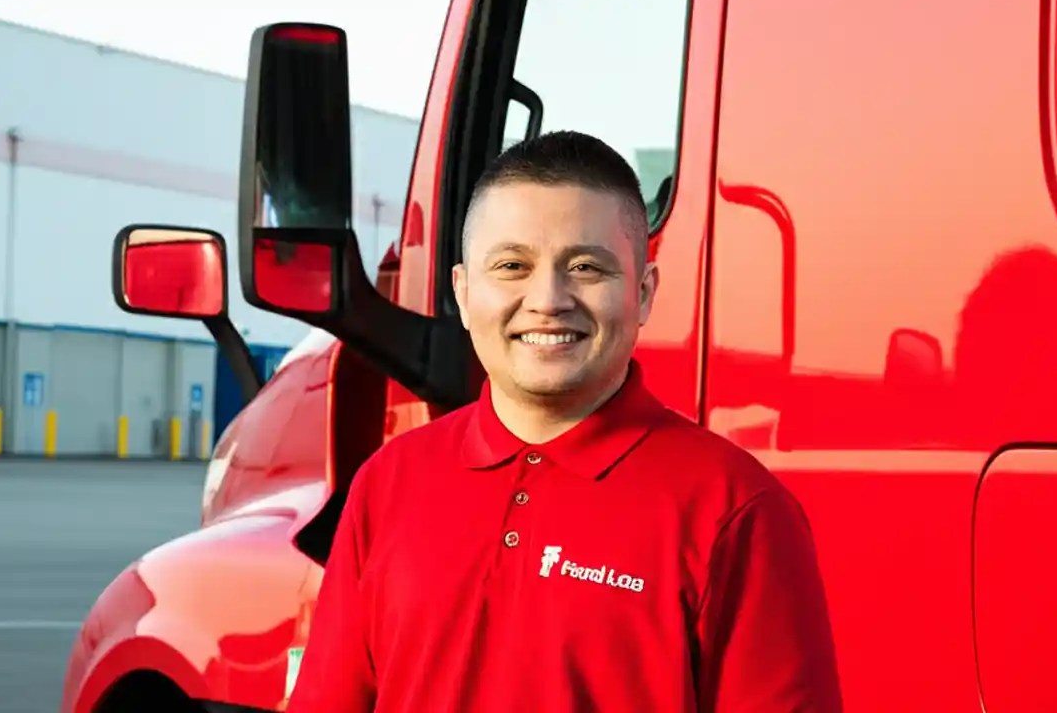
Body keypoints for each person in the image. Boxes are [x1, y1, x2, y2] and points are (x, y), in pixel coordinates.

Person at [286, 130, 842, 712]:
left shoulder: (736, 509)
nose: (548, 299)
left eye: (585, 267)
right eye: (512, 265)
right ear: (464, 292)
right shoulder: (388, 482)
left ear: (643, 293)